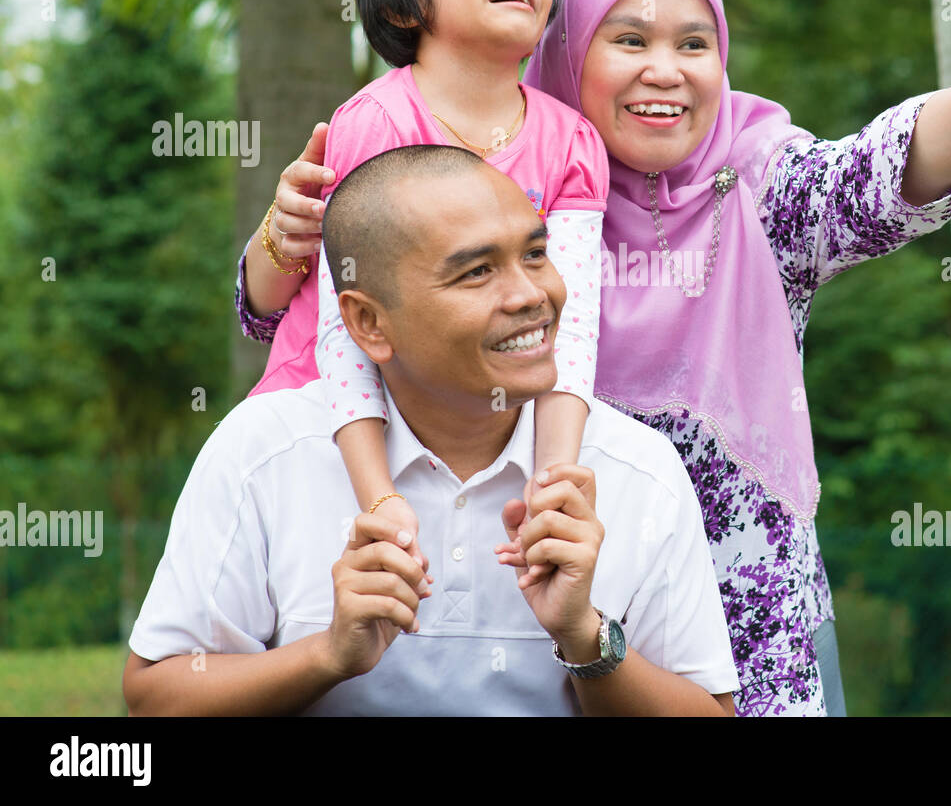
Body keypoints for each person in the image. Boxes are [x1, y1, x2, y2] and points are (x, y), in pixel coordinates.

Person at [255, 0, 951, 716]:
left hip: (751, 613)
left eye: (694, 44)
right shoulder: (495, 196)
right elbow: (335, 326)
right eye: (628, 41)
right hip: (547, 596)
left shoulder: (759, 179)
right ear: (567, 52)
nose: (667, 70)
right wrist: (272, 247)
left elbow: (868, 179)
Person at [124, 146, 738, 716]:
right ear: (368, 323)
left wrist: (585, 638)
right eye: (475, 273)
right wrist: (328, 655)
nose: (532, 296)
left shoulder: (637, 469)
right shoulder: (265, 451)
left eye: (535, 254)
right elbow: (154, 696)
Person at [238, 0, 609, 588]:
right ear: (406, 0)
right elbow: (345, 327)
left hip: (474, 427)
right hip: (329, 427)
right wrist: (377, 494)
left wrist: (554, 479)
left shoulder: (572, 142)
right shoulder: (374, 124)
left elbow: (576, 319)